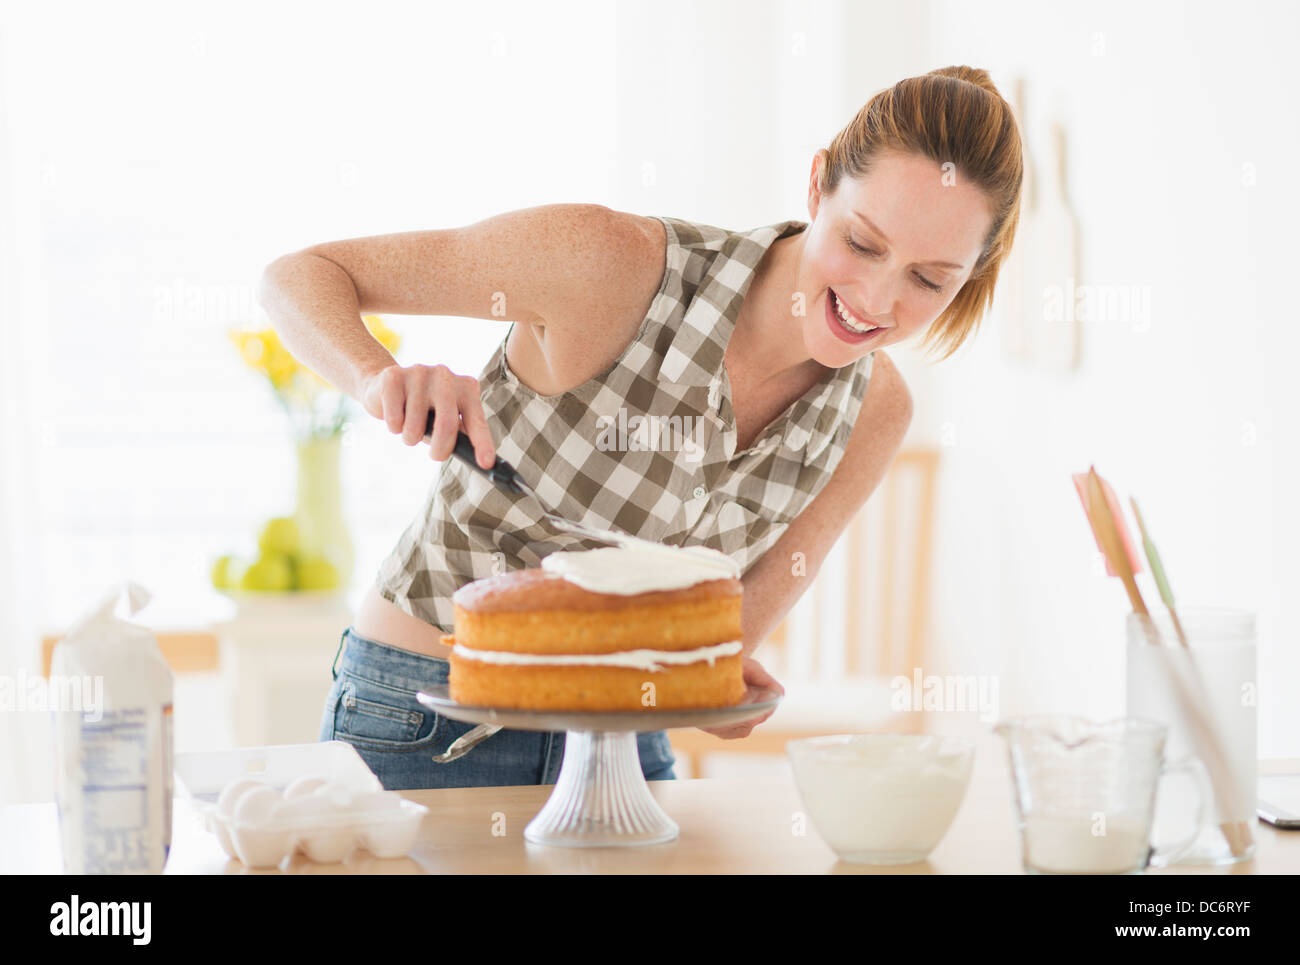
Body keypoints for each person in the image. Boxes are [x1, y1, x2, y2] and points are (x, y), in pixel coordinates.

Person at [258, 65, 1023, 790]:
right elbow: (299, 276)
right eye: (861, 242)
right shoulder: (608, 264)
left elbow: (726, 639)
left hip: (626, 746)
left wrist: (714, 682)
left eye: (929, 279)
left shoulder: (876, 411)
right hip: (422, 715)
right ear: (818, 183)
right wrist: (378, 377)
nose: (877, 298)